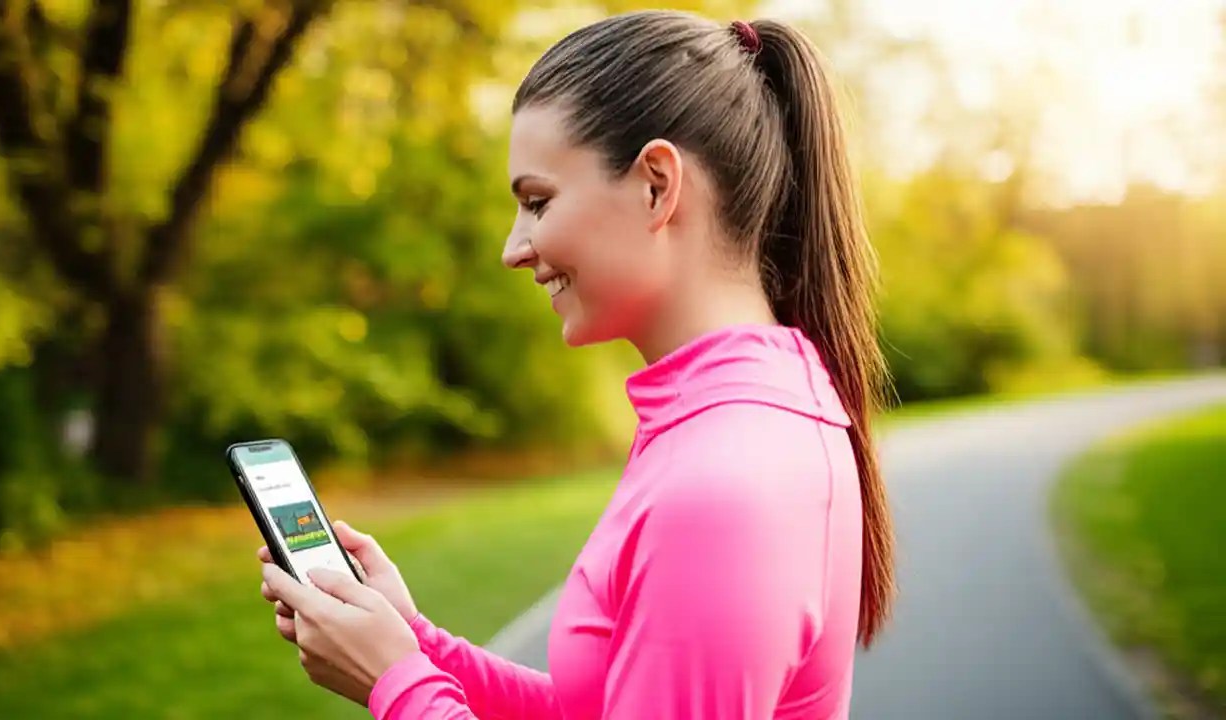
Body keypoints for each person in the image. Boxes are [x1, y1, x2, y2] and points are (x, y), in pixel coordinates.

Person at [259, 9, 895, 719]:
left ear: (656, 185)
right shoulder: (742, 416)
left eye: (537, 202)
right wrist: (418, 648)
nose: (514, 249)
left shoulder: (722, 488)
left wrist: (397, 683)